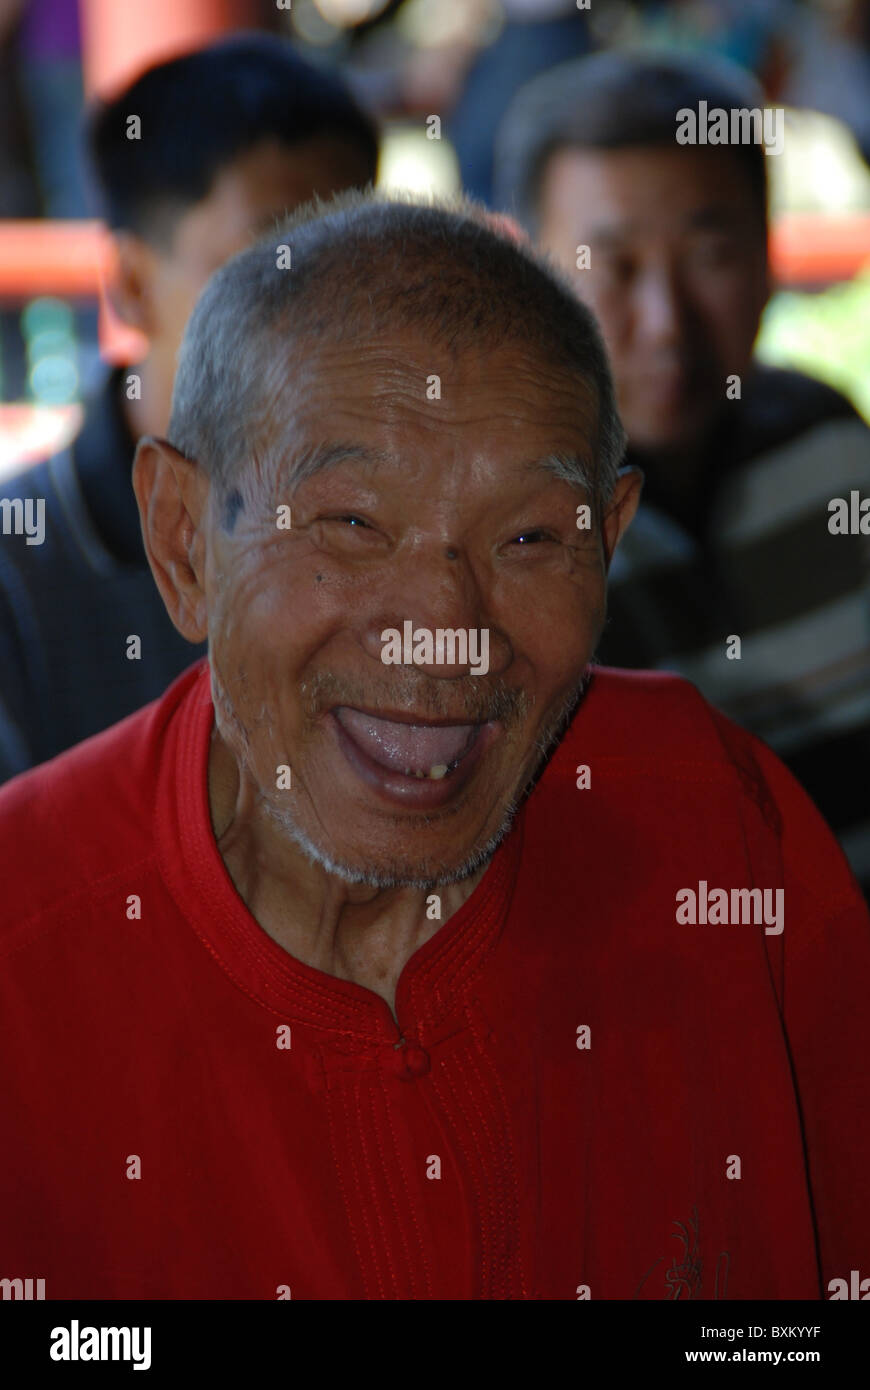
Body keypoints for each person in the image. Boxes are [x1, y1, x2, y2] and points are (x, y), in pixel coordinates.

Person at [0, 191, 867, 1301]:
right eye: (351, 523)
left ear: (611, 541)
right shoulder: (28, 954)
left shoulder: (715, 821)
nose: (444, 630)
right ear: (181, 543)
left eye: (527, 537)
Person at [493, 51, 870, 898]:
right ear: (528, 281)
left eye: (710, 255)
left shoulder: (831, 446)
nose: (667, 323)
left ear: (770, 259)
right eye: (613, 265)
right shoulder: (495, 539)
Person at [0, 32, 378, 779]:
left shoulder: (411, 527)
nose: (329, 311)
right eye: (271, 264)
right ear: (132, 287)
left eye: (357, 258)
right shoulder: (18, 572)